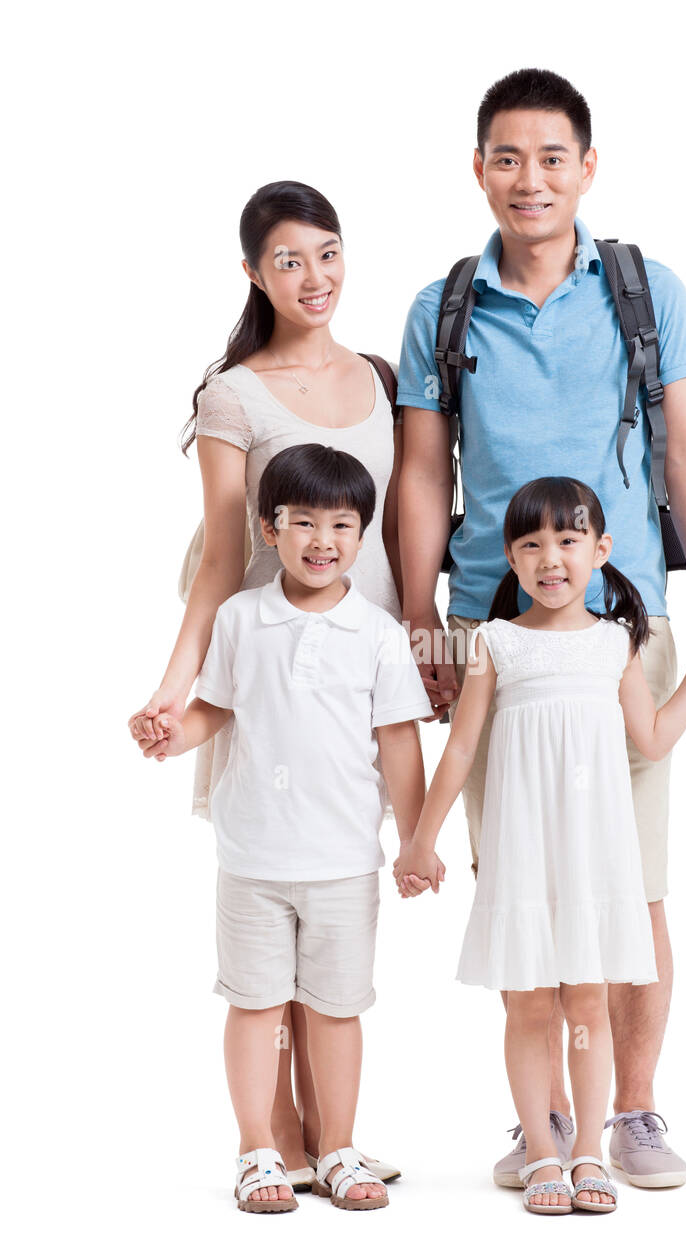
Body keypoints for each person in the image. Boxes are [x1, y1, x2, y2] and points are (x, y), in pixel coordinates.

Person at [396, 67, 686, 1188]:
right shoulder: (440, 307)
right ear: (477, 169)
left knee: (628, 885)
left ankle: (630, 1113)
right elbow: (417, 472)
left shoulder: (645, 291)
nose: (529, 178)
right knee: (520, 884)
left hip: (623, 624)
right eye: (507, 157)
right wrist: (422, 620)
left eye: (552, 157)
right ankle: (541, 1121)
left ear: (586, 168)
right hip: (488, 632)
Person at [128, 180, 415, 1187]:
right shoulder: (231, 391)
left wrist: (422, 634)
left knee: (335, 886)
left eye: (327, 253)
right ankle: (278, 1141)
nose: (313, 277)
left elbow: (412, 516)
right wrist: (176, 687)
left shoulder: (382, 377)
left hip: (362, 663)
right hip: (264, 664)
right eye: (288, 259)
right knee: (271, 897)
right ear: (253, 271)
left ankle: (320, 1137)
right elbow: (218, 555)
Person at [395, 477, 686, 1212]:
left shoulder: (616, 644)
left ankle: (588, 1152)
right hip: (523, 853)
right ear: (509, 562)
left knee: (587, 1001)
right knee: (528, 1005)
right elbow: (458, 753)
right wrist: (420, 841)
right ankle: (541, 1150)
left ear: (603, 551)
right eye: (531, 545)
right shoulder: (496, 643)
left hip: (593, 855)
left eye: (569, 540)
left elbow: (653, 738)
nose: (552, 558)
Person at [140, 444, 436, 1211]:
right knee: (254, 1004)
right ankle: (259, 1151)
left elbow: (399, 740)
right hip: (253, 857)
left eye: (341, 524)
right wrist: (174, 734)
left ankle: (336, 1146)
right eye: (302, 522)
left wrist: (415, 841)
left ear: (363, 537)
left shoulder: (376, 632)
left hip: (343, 859)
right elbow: (216, 707)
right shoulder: (240, 618)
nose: (321, 540)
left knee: (338, 1008)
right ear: (269, 531)